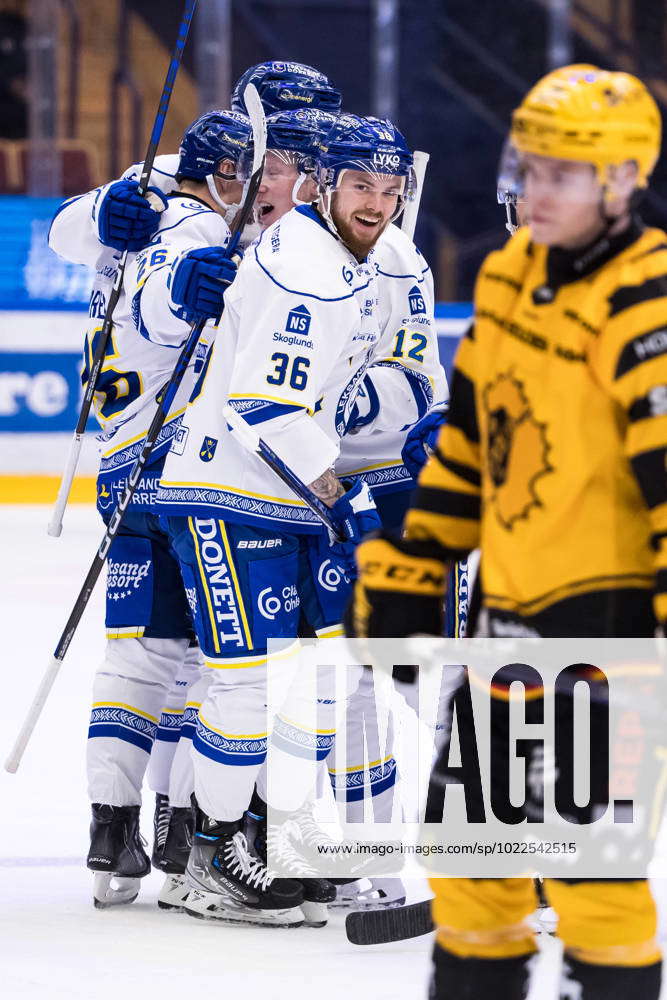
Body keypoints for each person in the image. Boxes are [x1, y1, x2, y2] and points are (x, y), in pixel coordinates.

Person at [346, 65, 665, 999]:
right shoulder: (508, 275)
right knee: (473, 873)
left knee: (593, 885)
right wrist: (418, 559)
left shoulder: (644, 305)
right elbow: (469, 450)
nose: (536, 189)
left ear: (620, 182)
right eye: (529, 166)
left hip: (602, 645)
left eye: (564, 173)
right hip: (503, 632)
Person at [151, 113, 417, 926]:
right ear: (323, 187)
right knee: (246, 683)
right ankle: (209, 862)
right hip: (225, 494)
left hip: (277, 498)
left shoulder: (349, 257)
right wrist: (353, 500)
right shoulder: (307, 265)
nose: (376, 202)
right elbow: (264, 405)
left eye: (388, 188)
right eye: (360, 186)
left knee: (297, 688)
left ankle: (258, 848)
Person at [47, 109, 251, 908]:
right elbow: (160, 305)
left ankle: (110, 830)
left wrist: (102, 216)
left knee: (138, 653)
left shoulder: (152, 195)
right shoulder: (194, 222)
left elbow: (83, 240)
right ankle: (181, 829)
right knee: (211, 658)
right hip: (186, 457)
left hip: (121, 453)